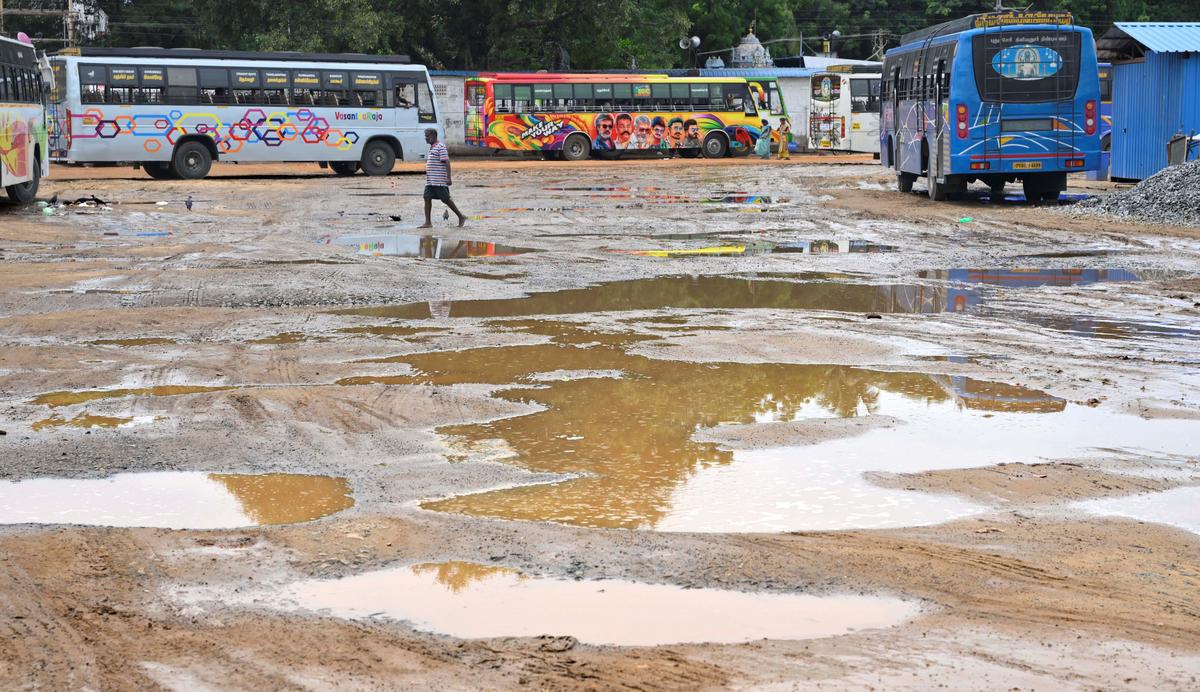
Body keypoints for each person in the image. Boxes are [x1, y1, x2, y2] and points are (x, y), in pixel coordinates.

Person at [419, 128, 465, 228]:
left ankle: (461, 217)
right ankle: (428, 222)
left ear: (433, 135)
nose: (426, 138)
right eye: (425, 136)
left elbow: (447, 162)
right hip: (431, 181)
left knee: (446, 199)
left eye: (427, 136)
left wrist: (448, 178)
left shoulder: (440, 146)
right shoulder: (432, 147)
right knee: (426, 197)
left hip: (439, 181)